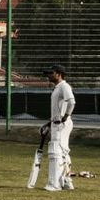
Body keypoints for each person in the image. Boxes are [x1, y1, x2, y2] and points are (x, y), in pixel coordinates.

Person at [43, 64, 76, 192]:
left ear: (58, 74)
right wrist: (50, 122)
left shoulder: (64, 86)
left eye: (51, 73)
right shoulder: (58, 88)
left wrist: (66, 116)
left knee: (55, 152)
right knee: (63, 152)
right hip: (57, 122)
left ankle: (54, 184)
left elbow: (72, 102)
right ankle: (67, 182)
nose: (48, 76)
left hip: (61, 124)